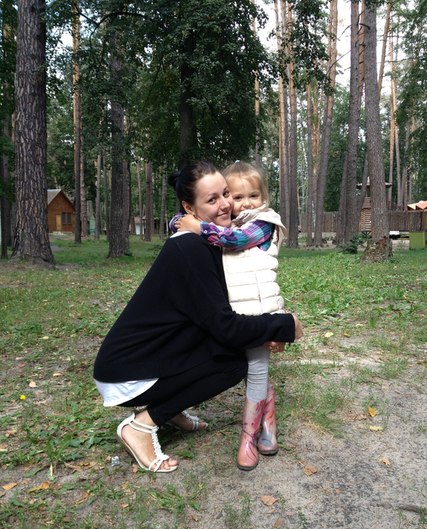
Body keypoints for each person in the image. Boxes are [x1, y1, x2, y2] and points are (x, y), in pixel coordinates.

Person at [93, 160, 302, 474]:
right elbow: (227, 328)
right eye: (212, 199)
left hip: (149, 354)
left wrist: (268, 327)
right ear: (189, 209)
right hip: (127, 370)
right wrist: (286, 325)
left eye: (225, 194)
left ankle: (170, 411)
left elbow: (223, 313)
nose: (226, 204)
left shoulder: (209, 240)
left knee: (225, 349)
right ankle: (141, 426)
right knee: (232, 365)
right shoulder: (190, 247)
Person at [172, 161, 288, 471]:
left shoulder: (263, 223)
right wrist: (181, 221)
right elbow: (202, 230)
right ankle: (268, 422)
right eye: (237, 197)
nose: (246, 203)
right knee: (250, 369)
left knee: (257, 369)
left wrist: (198, 227)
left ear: (264, 197)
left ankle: (248, 437)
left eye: (254, 195)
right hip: (235, 313)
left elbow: (236, 242)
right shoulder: (226, 226)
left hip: (261, 313)